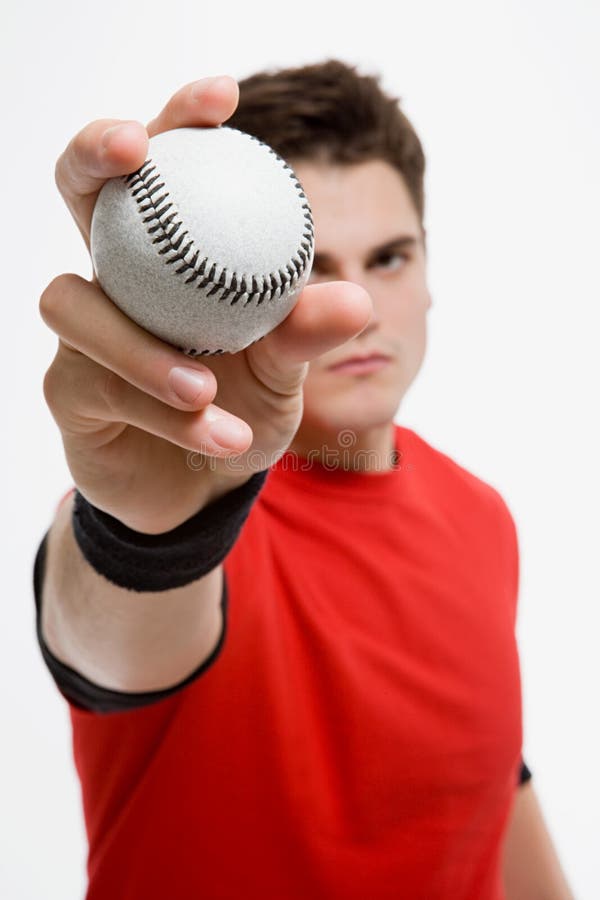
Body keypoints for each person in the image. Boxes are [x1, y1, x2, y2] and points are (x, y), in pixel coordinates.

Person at [35, 60, 574, 899]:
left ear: (430, 270)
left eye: (390, 258)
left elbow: (489, 787)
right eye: (312, 267)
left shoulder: (481, 513)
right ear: (231, 290)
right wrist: (145, 535)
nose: (361, 307)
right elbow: (109, 644)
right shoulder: (180, 508)